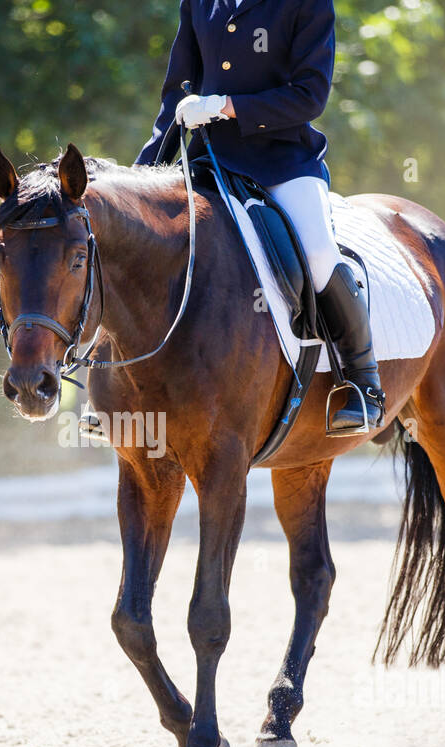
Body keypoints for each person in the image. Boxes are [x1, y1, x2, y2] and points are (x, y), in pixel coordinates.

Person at [136, 0, 384, 432]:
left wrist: (225, 105)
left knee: (319, 254)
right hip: (208, 162)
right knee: (141, 242)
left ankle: (364, 383)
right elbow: (177, 92)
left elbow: (310, 95)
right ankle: (115, 383)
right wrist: (141, 177)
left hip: (283, 162)